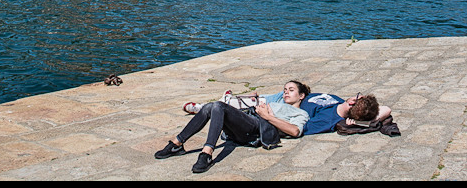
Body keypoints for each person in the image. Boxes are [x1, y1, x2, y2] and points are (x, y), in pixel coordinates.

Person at [154, 80, 311, 174]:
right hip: (248, 119)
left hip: (256, 129)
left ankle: (207, 153)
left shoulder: (301, 113)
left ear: (301, 96)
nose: (286, 93)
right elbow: (256, 96)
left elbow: (295, 131)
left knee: (218, 106)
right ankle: (177, 143)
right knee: (210, 106)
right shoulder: (276, 102)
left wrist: (267, 116)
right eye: (284, 90)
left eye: (291, 90)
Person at [265, 89, 392, 134]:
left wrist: (360, 122)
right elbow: (387, 109)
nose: (355, 95)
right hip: (290, 96)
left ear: (352, 102)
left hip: (278, 107)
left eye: (358, 95)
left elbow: (295, 129)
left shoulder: (327, 121)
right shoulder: (339, 102)